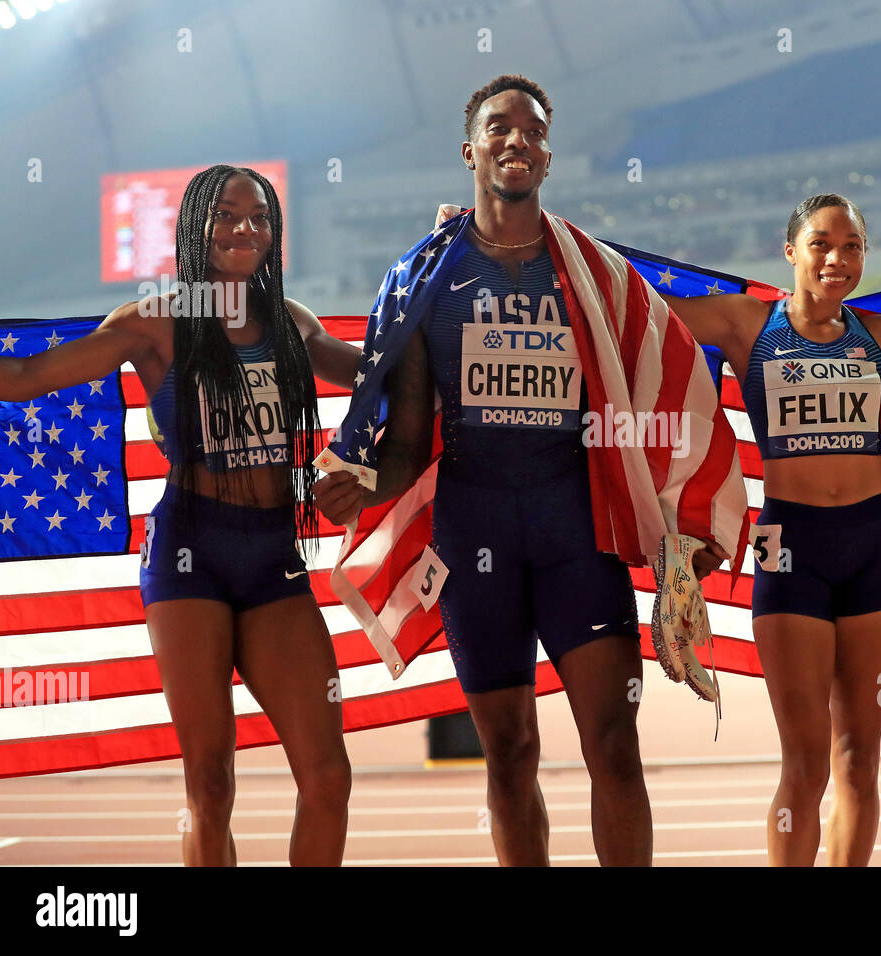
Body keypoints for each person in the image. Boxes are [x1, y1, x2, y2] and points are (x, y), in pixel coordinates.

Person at [312, 75, 745, 866]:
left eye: (533, 130)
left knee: (614, 741)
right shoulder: (423, 281)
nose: (517, 139)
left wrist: (690, 519)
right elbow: (408, 442)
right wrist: (365, 482)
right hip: (475, 533)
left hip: (573, 532)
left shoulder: (596, 275)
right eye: (499, 127)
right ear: (469, 150)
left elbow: (667, 378)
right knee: (508, 753)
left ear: (547, 155)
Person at [0, 165, 361, 865]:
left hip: (275, 558)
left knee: (328, 775)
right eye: (225, 214)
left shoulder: (290, 323)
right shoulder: (155, 320)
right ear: (194, 227)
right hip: (191, 553)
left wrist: (424, 301)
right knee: (211, 783)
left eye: (259, 217)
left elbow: (380, 377)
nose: (243, 228)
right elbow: (24, 379)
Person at [661, 193, 881, 866]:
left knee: (860, 759)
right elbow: (632, 311)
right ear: (790, 250)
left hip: (872, 545)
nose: (837, 257)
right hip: (790, 547)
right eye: (822, 243)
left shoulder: (879, 337)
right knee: (804, 761)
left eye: (852, 245)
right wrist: (508, 247)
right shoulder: (746, 324)